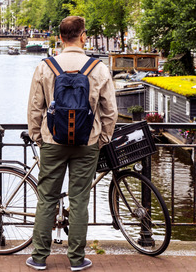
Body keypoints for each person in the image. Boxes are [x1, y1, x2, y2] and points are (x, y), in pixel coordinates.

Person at [26, 16, 117, 271]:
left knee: (46, 198)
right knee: (80, 200)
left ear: (60, 37)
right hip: (87, 142)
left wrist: (37, 136)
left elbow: (36, 107)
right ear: (83, 36)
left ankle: (39, 257)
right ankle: (77, 259)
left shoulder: (46, 66)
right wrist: (103, 139)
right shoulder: (97, 68)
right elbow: (110, 111)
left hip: (52, 140)